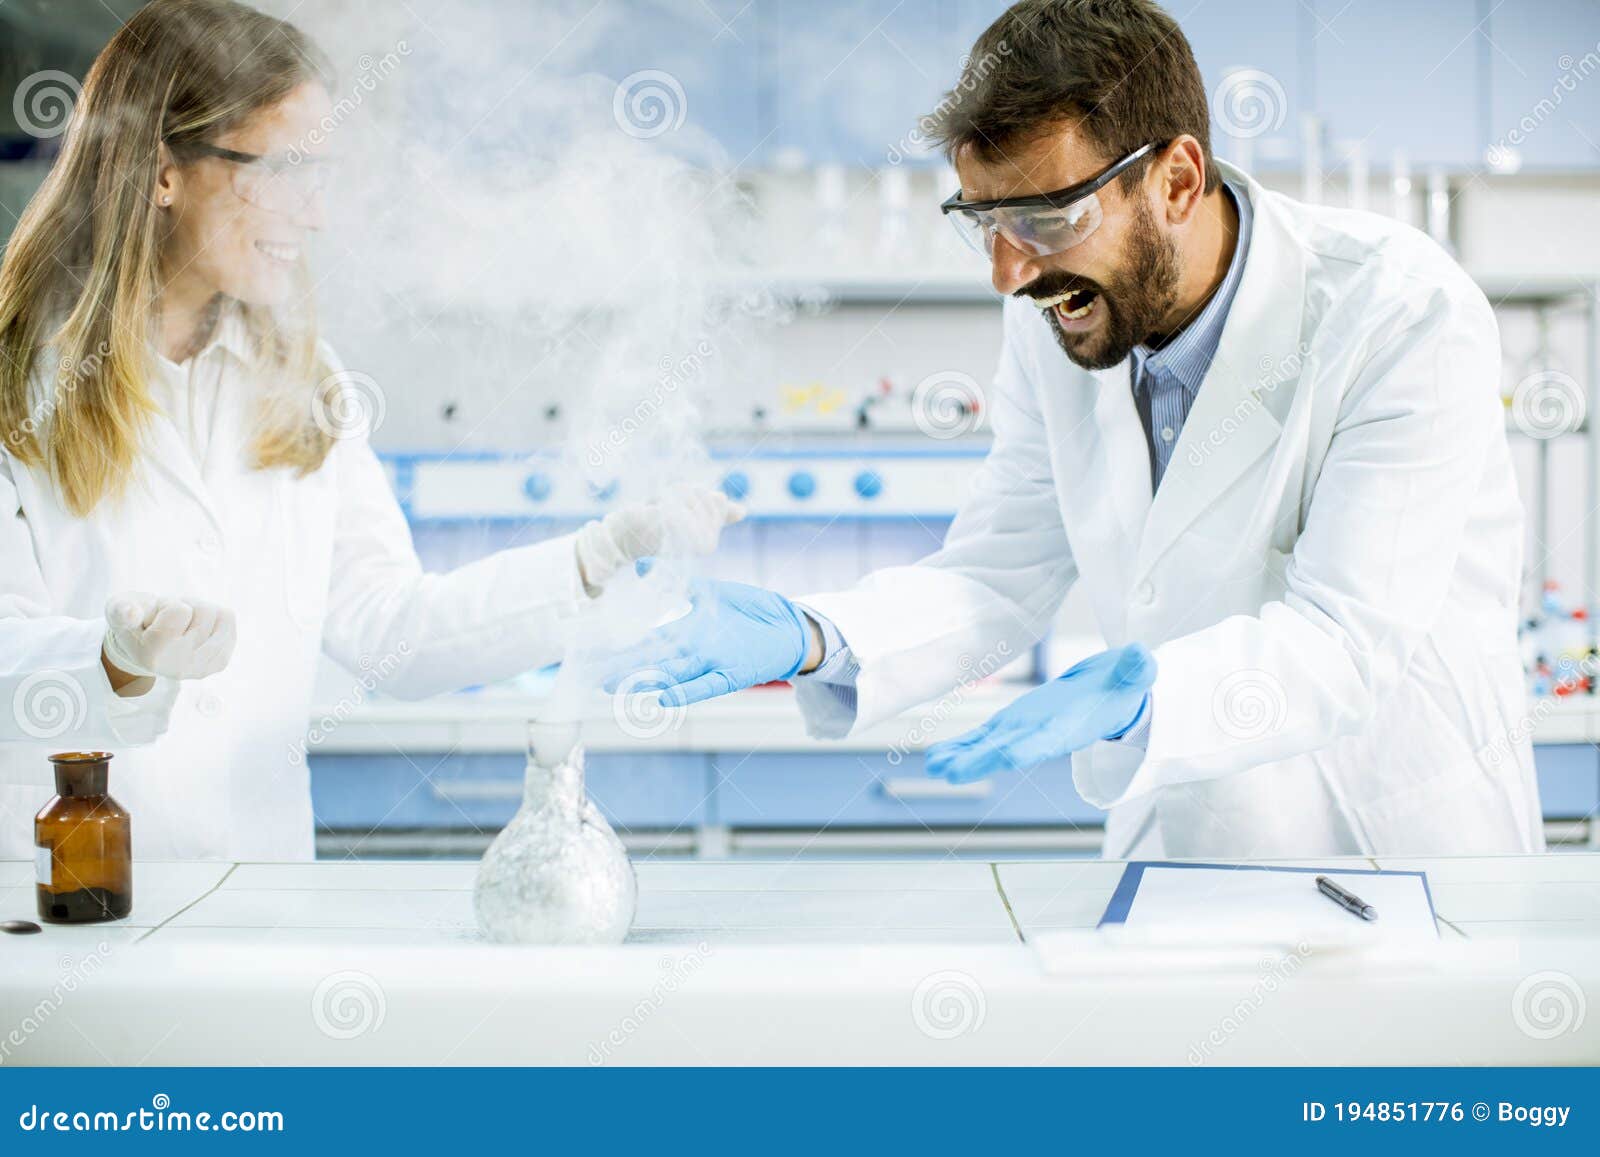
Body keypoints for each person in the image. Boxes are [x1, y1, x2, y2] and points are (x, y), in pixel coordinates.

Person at [605, 0, 1543, 859]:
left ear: (1177, 180)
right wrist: (819, 635)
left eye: (1048, 217)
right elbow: (997, 573)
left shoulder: (1399, 313)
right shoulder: (1055, 315)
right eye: (984, 221)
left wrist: (1144, 700)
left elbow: (1343, 640)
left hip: (1389, 849)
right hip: (1180, 846)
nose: (1008, 274)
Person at [0, 0, 738, 860]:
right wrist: (112, 660)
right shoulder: (19, 382)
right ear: (165, 173)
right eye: (284, 170)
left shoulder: (307, 383)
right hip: (61, 901)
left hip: (264, 888)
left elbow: (394, 630)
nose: (314, 213)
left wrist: (596, 557)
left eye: (321, 175)